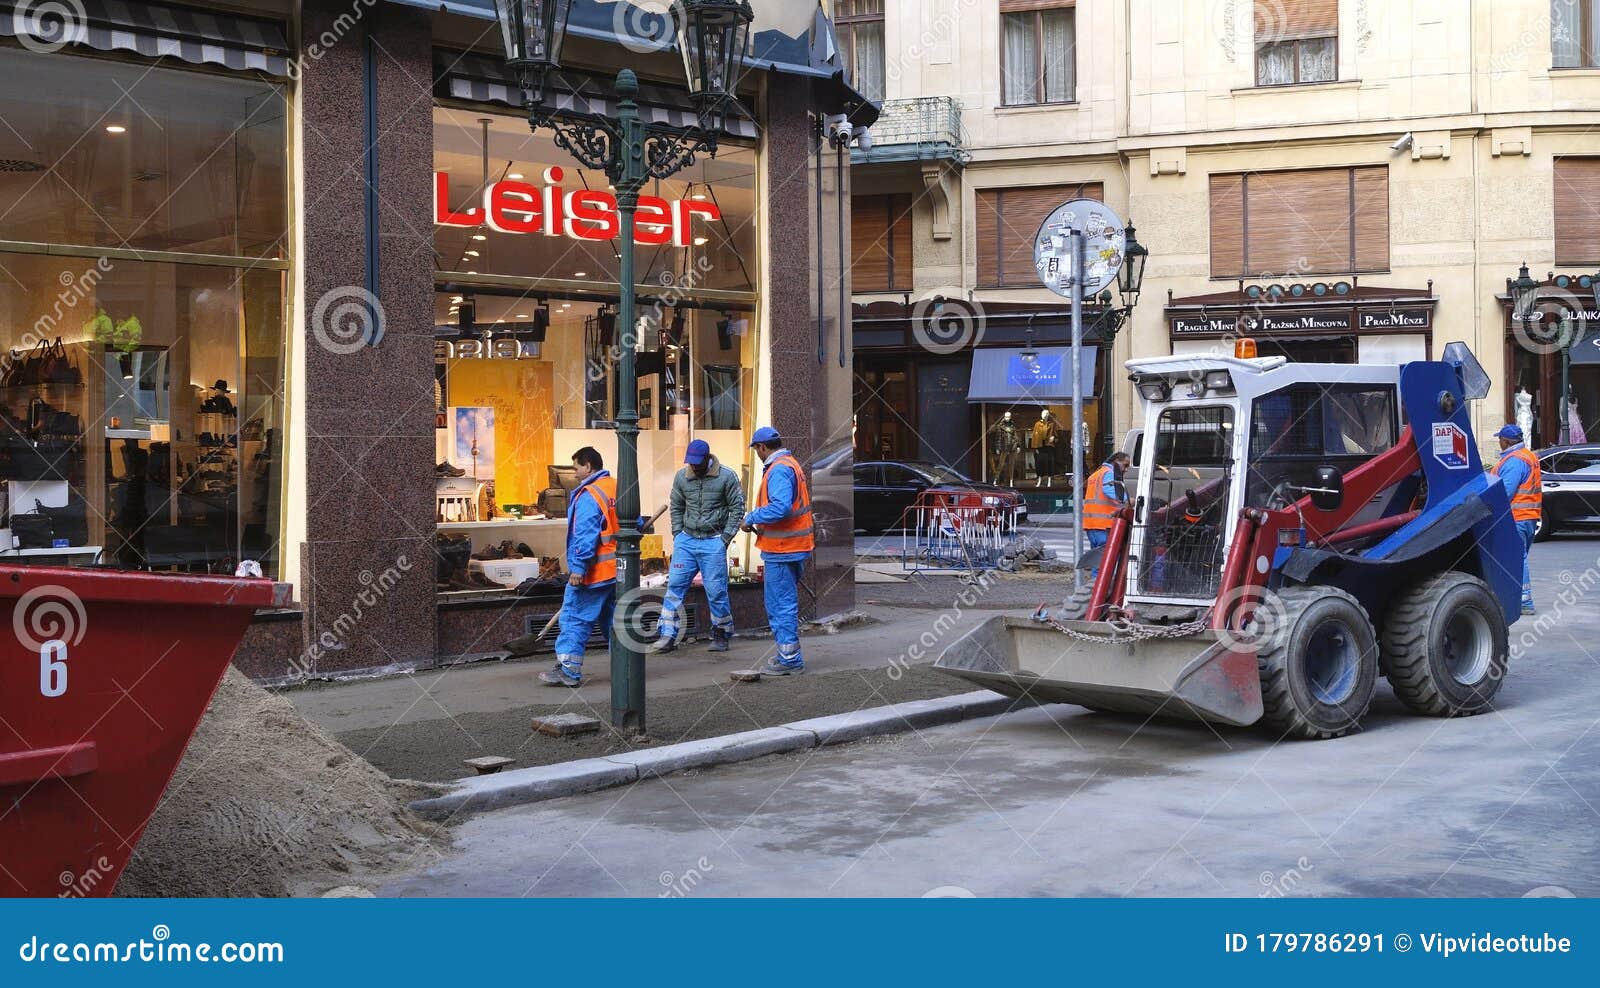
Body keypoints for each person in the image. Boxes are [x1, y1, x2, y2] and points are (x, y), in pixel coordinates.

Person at [653, 438, 745, 654]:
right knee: (674, 587)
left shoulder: (727, 476)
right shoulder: (682, 477)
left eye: (696, 462)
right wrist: (677, 534)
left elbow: (738, 508)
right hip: (686, 539)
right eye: (690, 462)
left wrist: (725, 539)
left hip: (714, 540)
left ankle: (721, 633)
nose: (693, 466)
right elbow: (676, 505)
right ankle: (667, 634)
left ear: (707, 458)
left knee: (716, 591)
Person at [539, 447, 619, 687]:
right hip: (617, 572)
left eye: (576, 468)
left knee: (574, 618)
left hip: (593, 573)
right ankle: (627, 666)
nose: (574, 474)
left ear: (588, 466)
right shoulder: (618, 487)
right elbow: (634, 523)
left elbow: (585, 535)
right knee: (614, 620)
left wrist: (578, 569)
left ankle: (568, 669)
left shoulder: (589, 495)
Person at [742, 426, 814, 676]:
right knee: (784, 603)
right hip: (792, 547)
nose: (757, 454)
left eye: (757, 450)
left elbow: (780, 507)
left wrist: (751, 517)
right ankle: (787, 655)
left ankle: (790, 659)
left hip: (783, 549)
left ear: (762, 447)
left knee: (780, 605)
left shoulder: (779, 469)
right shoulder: (790, 463)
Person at [1490, 424, 1541, 616]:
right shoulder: (1528, 456)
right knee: (1518, 558)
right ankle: (1515, 597)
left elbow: (1506, 491)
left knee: (1517, 558)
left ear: (1506, 441)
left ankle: (1525, 601)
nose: (1499, 443)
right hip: (1529, 517)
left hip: (1516, 517)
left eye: (1500, 439)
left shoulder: (1513, 461)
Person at [1081, 452, 1131, 577]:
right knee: (1105, 566)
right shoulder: (1109, 473)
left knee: (1098, 565)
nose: (1126, 469)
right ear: (1116, 462)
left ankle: (1094, 591)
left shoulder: (1096, 474)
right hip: (1104, 525)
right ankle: (1099, 593)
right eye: (1125, 465)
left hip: (1092, 525)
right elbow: (1110, 491)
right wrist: (1128, 500)